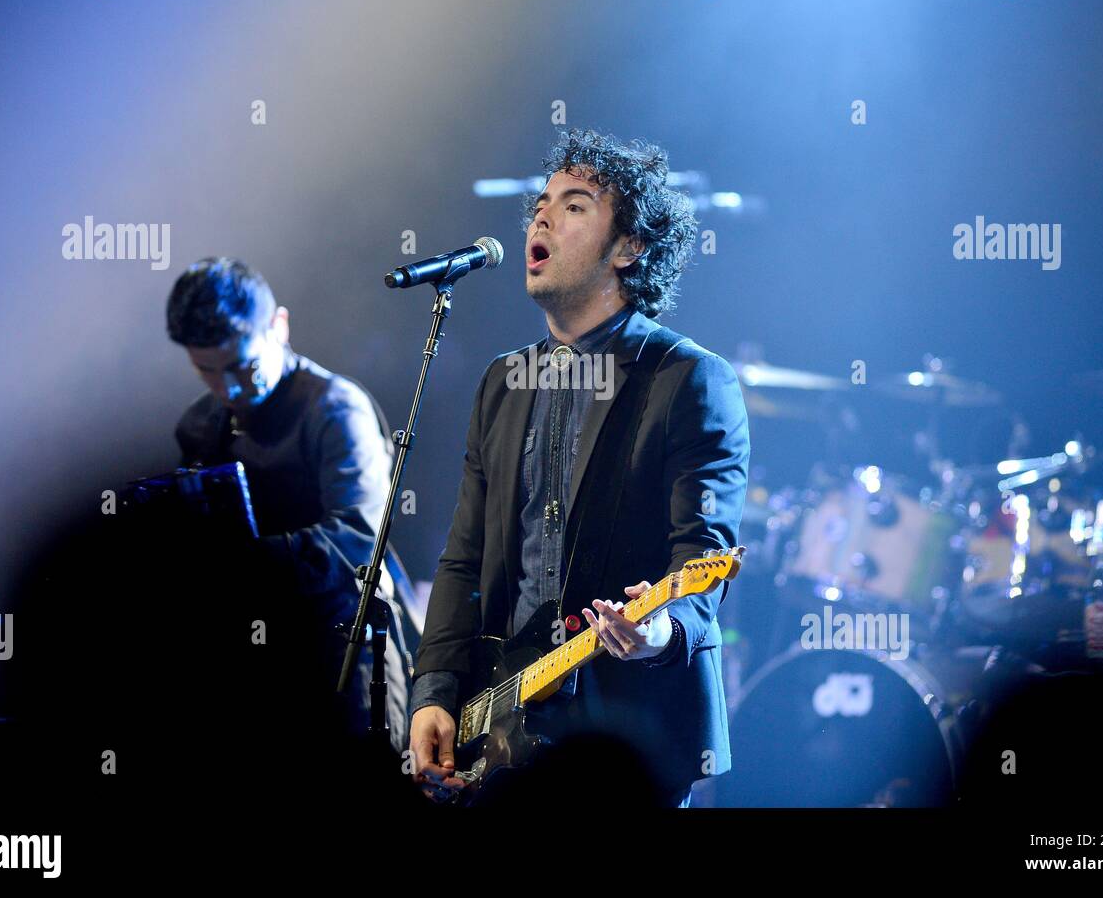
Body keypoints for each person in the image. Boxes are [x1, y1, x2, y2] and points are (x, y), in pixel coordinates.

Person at [408, 129, 749, 807]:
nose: (540, 215)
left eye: (573, 205)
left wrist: (656, 631)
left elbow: (703, 561)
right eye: (540, 203)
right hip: (503, 729)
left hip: (627, 737)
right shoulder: (503, 382)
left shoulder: (688, 380)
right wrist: (434, 692)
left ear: (630, 248)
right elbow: (462, 559)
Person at [165, 257, 411, 752]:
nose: (227, 389)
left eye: (241, 366)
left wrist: (242, 562)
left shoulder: (338, 411)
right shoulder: (199, 423)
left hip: (348, 657)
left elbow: (356, 543)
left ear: (279, 325)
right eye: (206, 371)